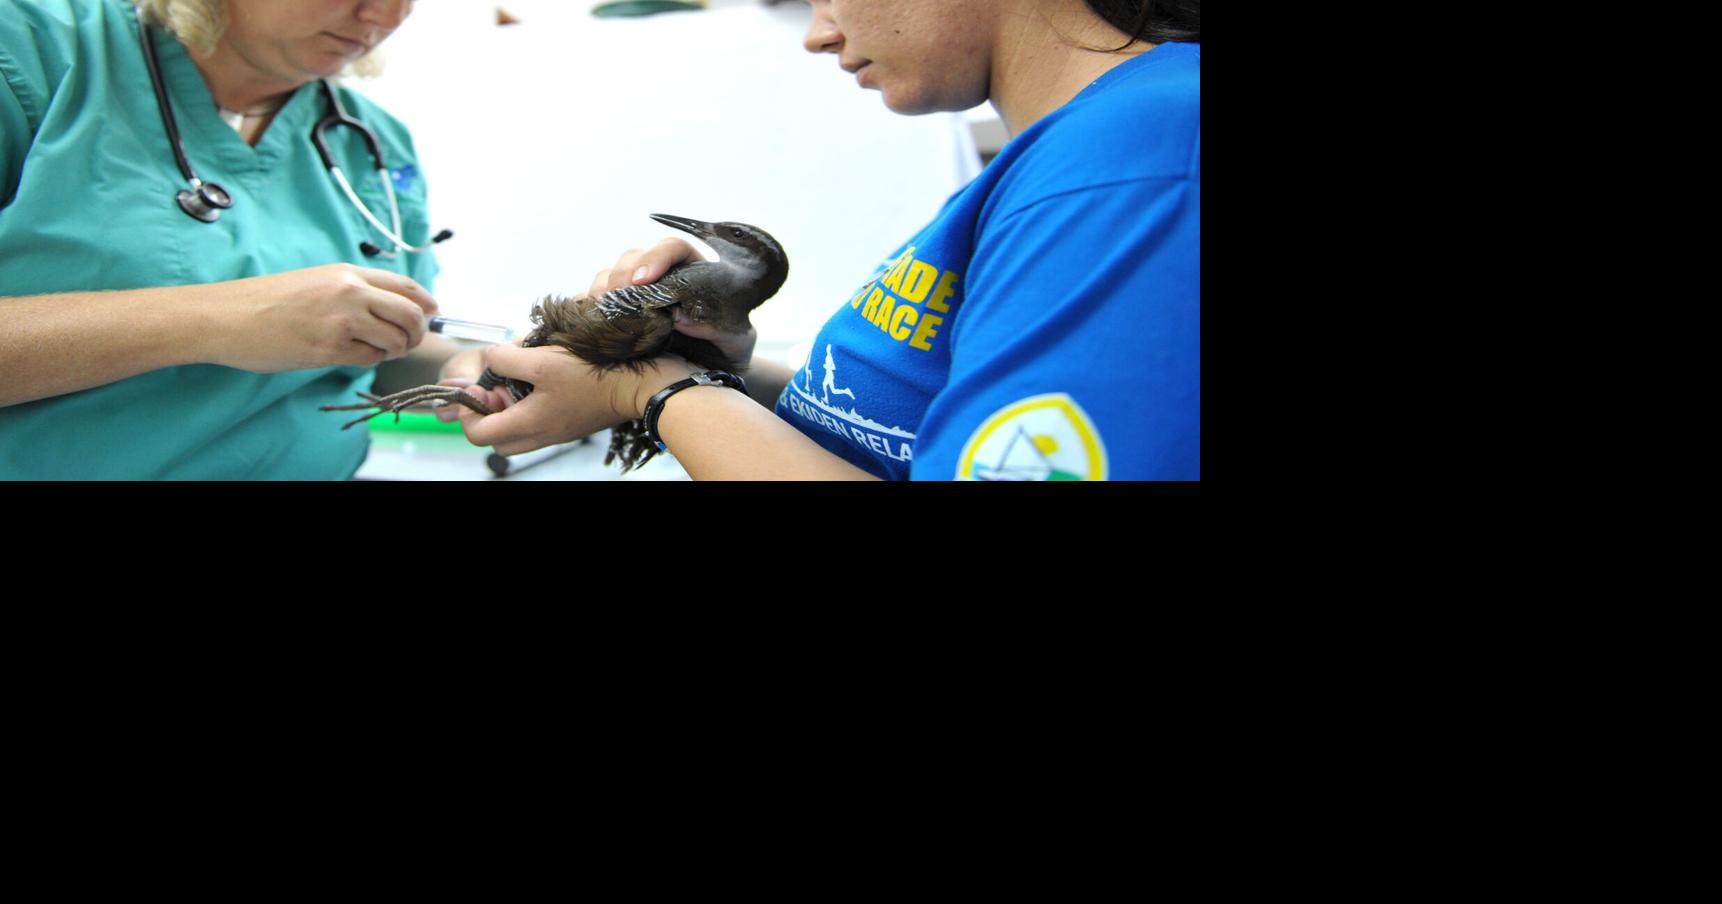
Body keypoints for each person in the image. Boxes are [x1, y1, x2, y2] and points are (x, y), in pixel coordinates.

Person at [451, 0, 1200, 480]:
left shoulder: (1139, 158)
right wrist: (706, 365)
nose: (818, 32)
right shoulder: (1066, 155)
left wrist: (646, 389)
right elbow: (901, 434)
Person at [0, 0, 480, 479]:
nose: (383, 15)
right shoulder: (32, 54)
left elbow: (373, 339)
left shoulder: (373, 142)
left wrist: (460, 369)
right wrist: (213, 320)